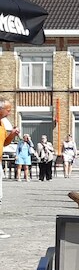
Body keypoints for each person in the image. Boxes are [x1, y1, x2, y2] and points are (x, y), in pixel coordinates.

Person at [0, 98, 19, 238]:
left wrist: (12, 134)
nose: (10, 112)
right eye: (8, 109)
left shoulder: (1, 124)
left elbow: (5, 143)